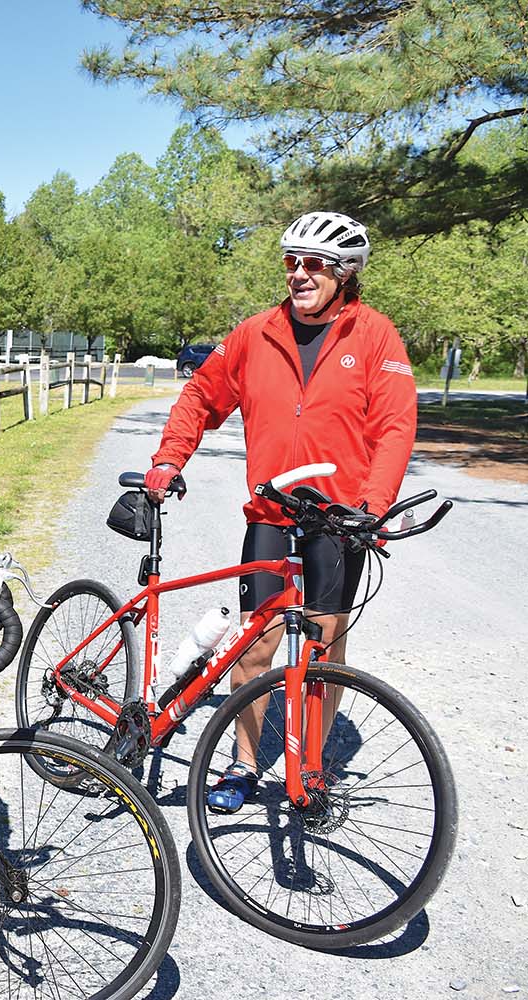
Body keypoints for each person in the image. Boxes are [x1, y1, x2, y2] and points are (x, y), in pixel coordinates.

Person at [143, 211, 417, 812]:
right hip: (270, 512)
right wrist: (168, 459)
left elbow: (396, 426)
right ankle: (243, 764)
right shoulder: (254, 333)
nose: (298, 274)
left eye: (313, 264)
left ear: (344, 273)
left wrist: (372, 506)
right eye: (291, 262)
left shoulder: (375, 336)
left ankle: (312, 768)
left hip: (341, 518)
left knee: (323, 644)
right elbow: (200, 395)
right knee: (256, 644)